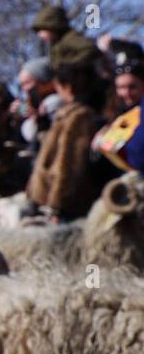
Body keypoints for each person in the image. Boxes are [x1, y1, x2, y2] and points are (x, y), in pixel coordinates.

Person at [27, 34, 104, 221]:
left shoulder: (78, 117)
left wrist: (56, 205)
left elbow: (67, 165)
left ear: (67, 86)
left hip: (64, 209)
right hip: (48, 202)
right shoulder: (67, 114)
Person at [92, 42, 144, 173]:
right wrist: (98, 148)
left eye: (132, 87)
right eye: (121, 87)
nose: (126, 93)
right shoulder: (111, 114)